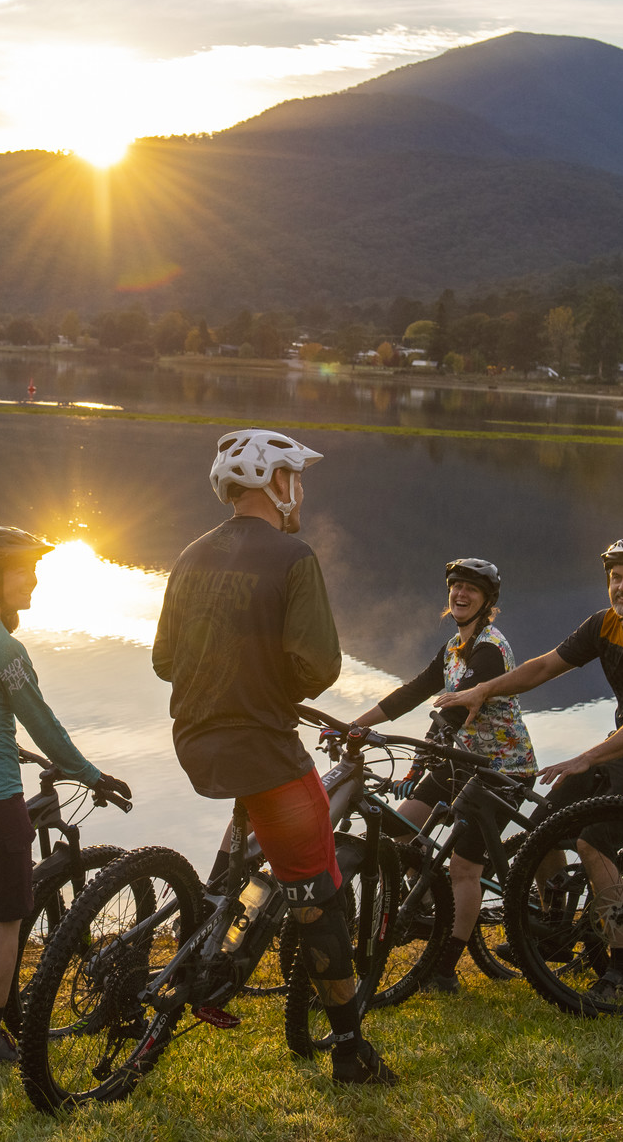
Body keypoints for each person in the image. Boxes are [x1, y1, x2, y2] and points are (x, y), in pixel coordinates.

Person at [152, 428, 395, 1086]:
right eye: (296, 477)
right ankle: (349, 1051)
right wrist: (274, 685)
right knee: (318, 896)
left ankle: (206, 949)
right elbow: (316, 664)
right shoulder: (294, 556)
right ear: (276, 483)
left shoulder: (189, 555)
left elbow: (164, 661)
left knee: (241, 856)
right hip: (262, 746)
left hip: (192, 740)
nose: (301, 490)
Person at [441, 536, 623, 1000]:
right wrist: (484, 691)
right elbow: (543, 668)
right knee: (542, 830)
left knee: (593, 840)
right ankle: (556, 931)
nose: (622, 587)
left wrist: (585, 757)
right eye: (616, 578)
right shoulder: (603, 625)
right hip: (621, 751)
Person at [0, 526, 133, 1065]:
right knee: (6, 921)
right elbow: (43, 725)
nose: (36, 582)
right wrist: (92, 775)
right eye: (28, 572)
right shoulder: (6, 648)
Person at [348, 557, 533, 993]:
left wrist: (429, 744)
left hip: (501, 771)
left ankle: (445, 968)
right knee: (400, 828)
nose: (461, 594)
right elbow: (414, 691)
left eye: (471, 589)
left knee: (464, 868)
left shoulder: (490, 649)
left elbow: (454, 711)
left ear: (487, 600)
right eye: (456, 587)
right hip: (461, 761)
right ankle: (422, 893)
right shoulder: (452, 647)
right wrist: (356, 726)